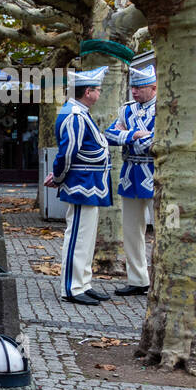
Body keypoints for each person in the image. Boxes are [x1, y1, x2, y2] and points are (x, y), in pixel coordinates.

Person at [46, 67, 113, 305]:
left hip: (89, 185)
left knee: (86, 238)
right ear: (88, 92)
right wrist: (58, 177)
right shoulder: (75, 115)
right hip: (81, 185)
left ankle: (83, 283)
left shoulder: (80, 112)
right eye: (97, 90)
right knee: (77, 237)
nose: (99, 94)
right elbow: (67, 153)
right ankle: (72, 288)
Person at [104, 64, 156, 296]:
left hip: (157, 176)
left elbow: (157, 140)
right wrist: (134, 135)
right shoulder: (125, 110)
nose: (134, 92)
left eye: (139, 88)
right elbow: (109, 135)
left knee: (167, 229)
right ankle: (138, 280)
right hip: (129, 176)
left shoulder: (164, 109)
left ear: (153, 87)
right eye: (133, 87)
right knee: (131, 231)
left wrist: (126, 136)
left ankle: (162, 279)